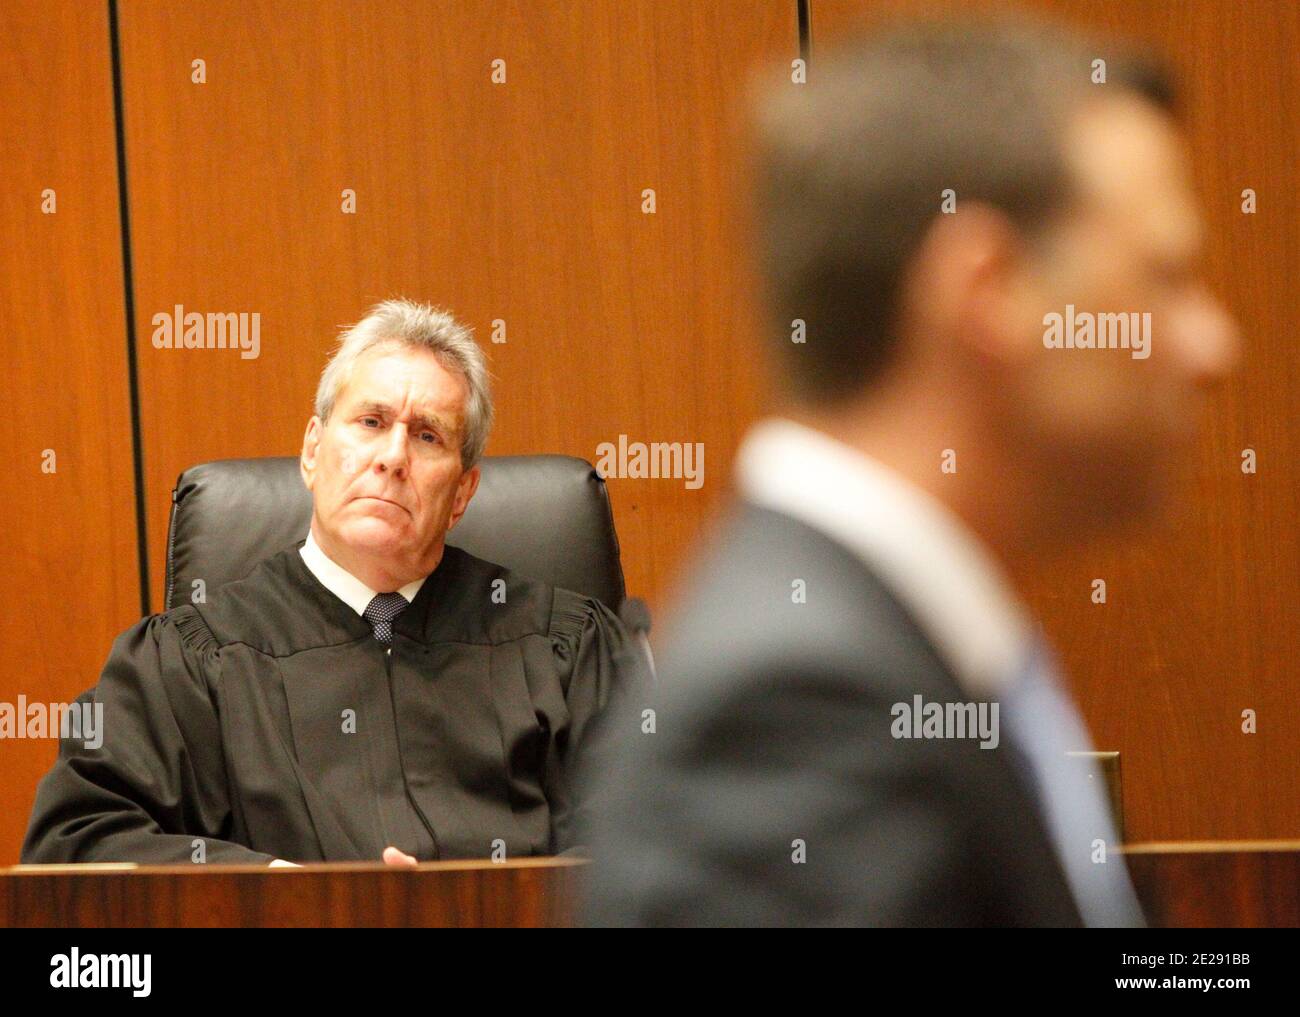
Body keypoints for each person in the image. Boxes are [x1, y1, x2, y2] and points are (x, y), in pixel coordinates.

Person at [585, 17, 1238, 925]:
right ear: (989, 292)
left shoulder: (908, 646)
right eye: (1164, 276)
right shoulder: (789, 717)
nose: (1215, 346)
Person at [23, 299, 635, 866]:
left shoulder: (564, 648)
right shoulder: (189, 662)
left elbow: (653, 844)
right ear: (312, 451)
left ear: (462, 493)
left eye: (427, 436)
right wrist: (289, 897)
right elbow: (77, 842)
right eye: (370, 421)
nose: (393, 457)